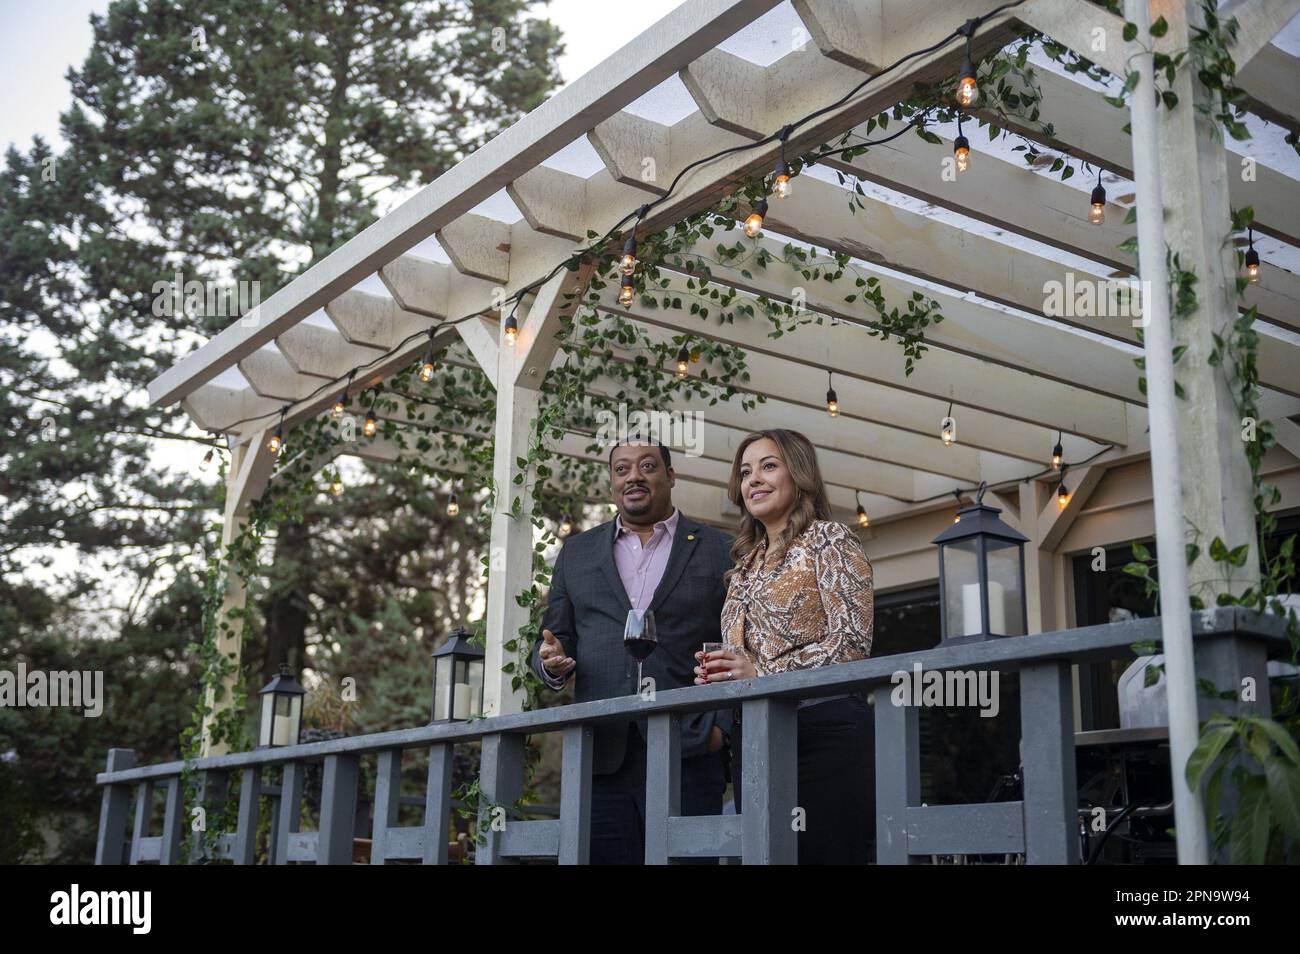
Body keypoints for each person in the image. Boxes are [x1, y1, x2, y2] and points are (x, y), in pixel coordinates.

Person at [531, 440, 734, 864]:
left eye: (647, 466)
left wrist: (721, 729)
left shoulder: (720, 549)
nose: (634, 476)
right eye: (622, 469)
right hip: (601, 752)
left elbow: (742, 643)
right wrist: (550, 661)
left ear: (671, 476)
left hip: (690, 748)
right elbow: (556, 637)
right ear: (612, 484)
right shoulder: (577, 553)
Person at [694, 428, 875, 864]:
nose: (753, 479)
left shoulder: (830, 540)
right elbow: (746, 656)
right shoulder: (744, 566)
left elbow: (853, 641)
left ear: (800, 474)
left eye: (768, 466)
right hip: (756, 737)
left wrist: (763, 673)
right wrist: (721, 674)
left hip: (824, 730)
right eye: (745, 472)